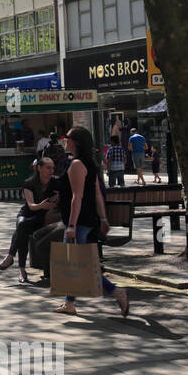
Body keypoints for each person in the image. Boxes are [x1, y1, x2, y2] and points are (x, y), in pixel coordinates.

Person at [56, 127, 129, 317]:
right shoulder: (89, 163)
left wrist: (71, 225)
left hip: (79, 223)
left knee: (81, 266)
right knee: (74, 263)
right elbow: (97, 194)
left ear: (76, 142)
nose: (65, 140)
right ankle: (69, 303)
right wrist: (103, 218)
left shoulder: (77, 165)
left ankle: (116, 292)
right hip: (88, 221)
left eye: (67, 137)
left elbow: (77, 197)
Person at [0, 157, 59, 283]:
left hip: (44, 216)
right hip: (29, 212)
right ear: (39, 168)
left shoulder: (56, 182)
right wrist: (42, 205)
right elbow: (31, 206)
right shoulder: (29, 183)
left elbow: (59, 199)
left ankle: (12, 259)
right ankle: (20, 268)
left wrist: (56, 199)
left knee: (21, 228)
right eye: (48, 167)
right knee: (22, 225)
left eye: (53, 167)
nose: (51, 170)